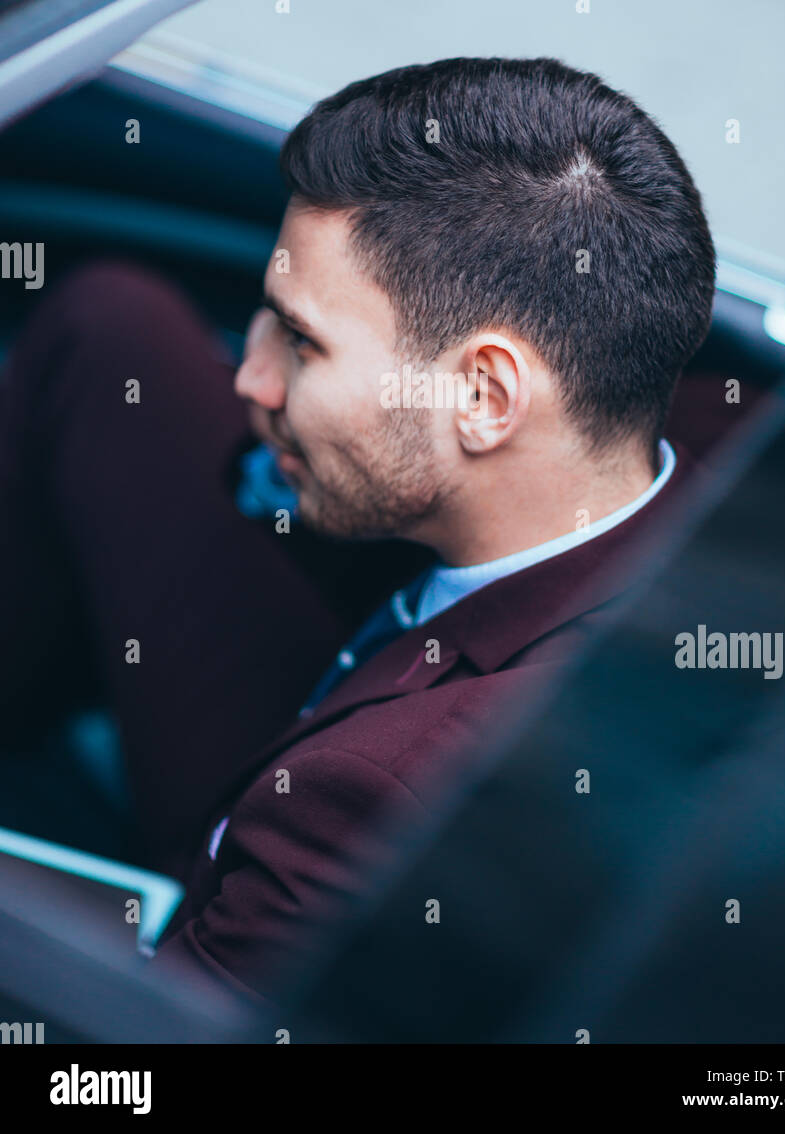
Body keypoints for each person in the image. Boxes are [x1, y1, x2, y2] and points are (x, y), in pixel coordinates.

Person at [0, 56, 715, 1001]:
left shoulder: (367, 800)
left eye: (301, 342)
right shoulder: (723, 453)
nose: (250, 380)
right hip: (371, 661)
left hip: (275, 789)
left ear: (483, 396)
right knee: (111, 330)